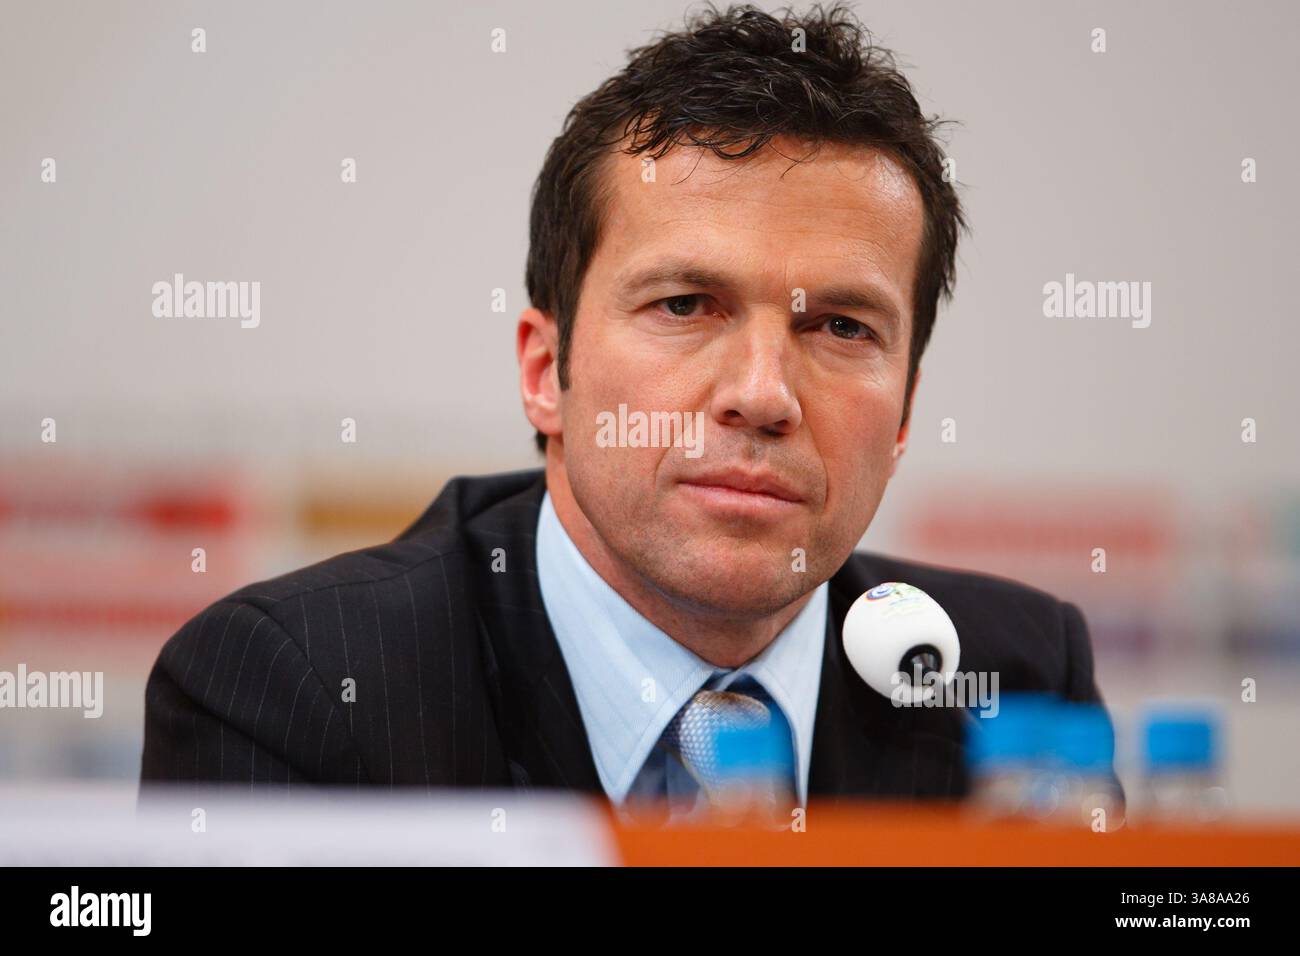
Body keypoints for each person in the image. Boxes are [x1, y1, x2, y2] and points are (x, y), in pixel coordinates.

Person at [141, 3, 1120, 817]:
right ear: (544, 368)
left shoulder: (1010, 678)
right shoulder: (297, 684)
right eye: (686, 306)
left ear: (904, 412)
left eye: (839, 327)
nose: (761, 395)